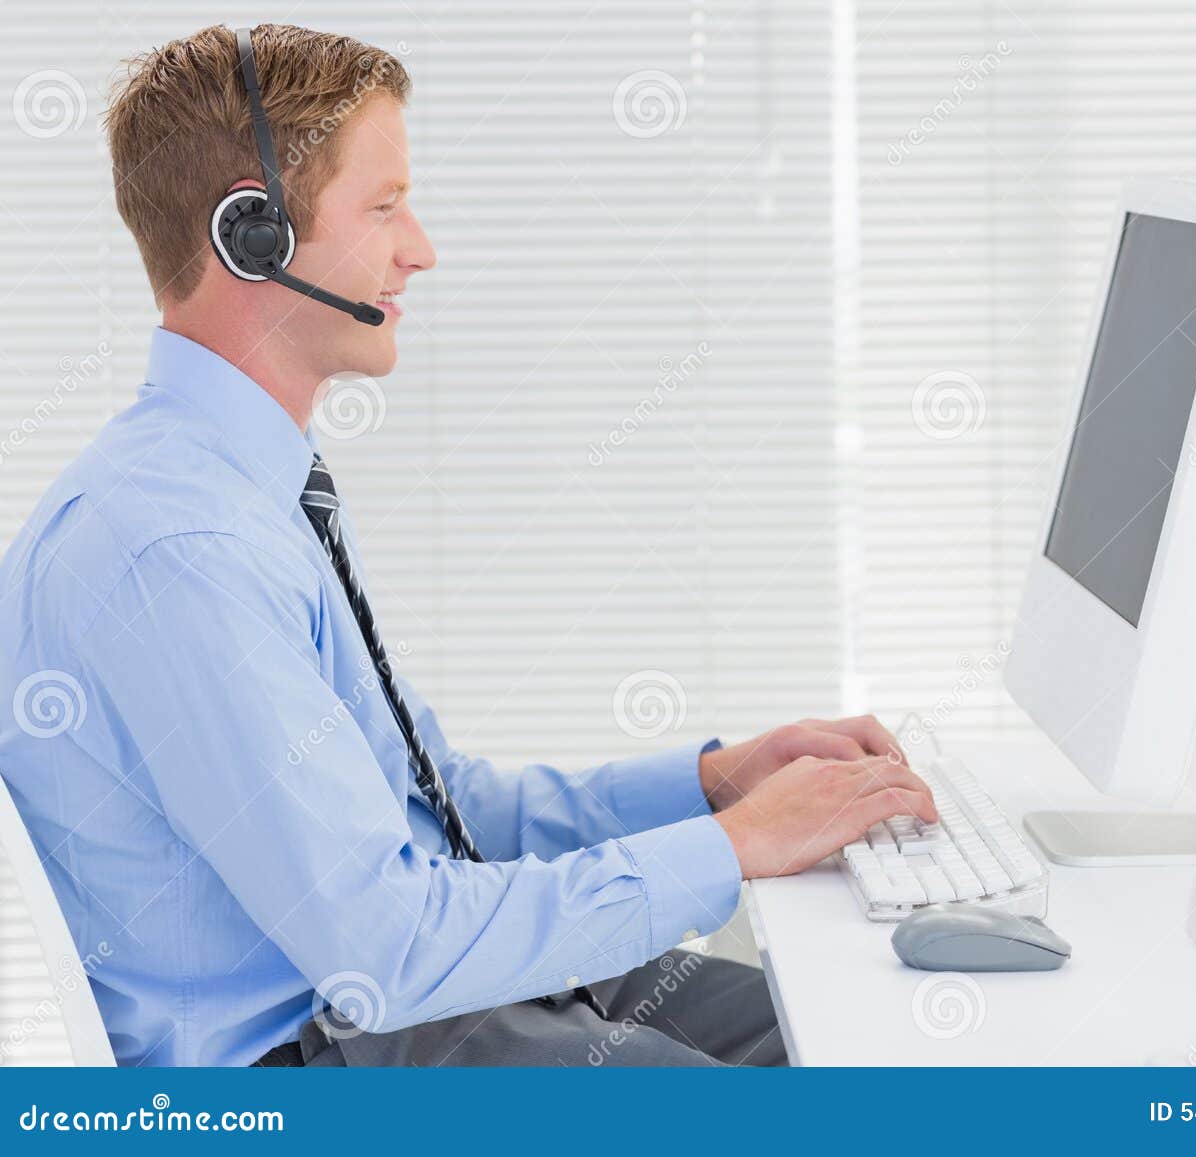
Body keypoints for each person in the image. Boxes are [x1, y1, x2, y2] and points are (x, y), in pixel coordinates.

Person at [0, 22, 936, 1068]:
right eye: (386, 206)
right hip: (322, 1054)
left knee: (869, 1035)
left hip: (399, 1003)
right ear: (250, 236)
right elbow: (388, 943)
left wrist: (712, 785)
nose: (420, 249)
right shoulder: (173, 545)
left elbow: (437, 810)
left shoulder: (243, 487)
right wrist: (736, 848)